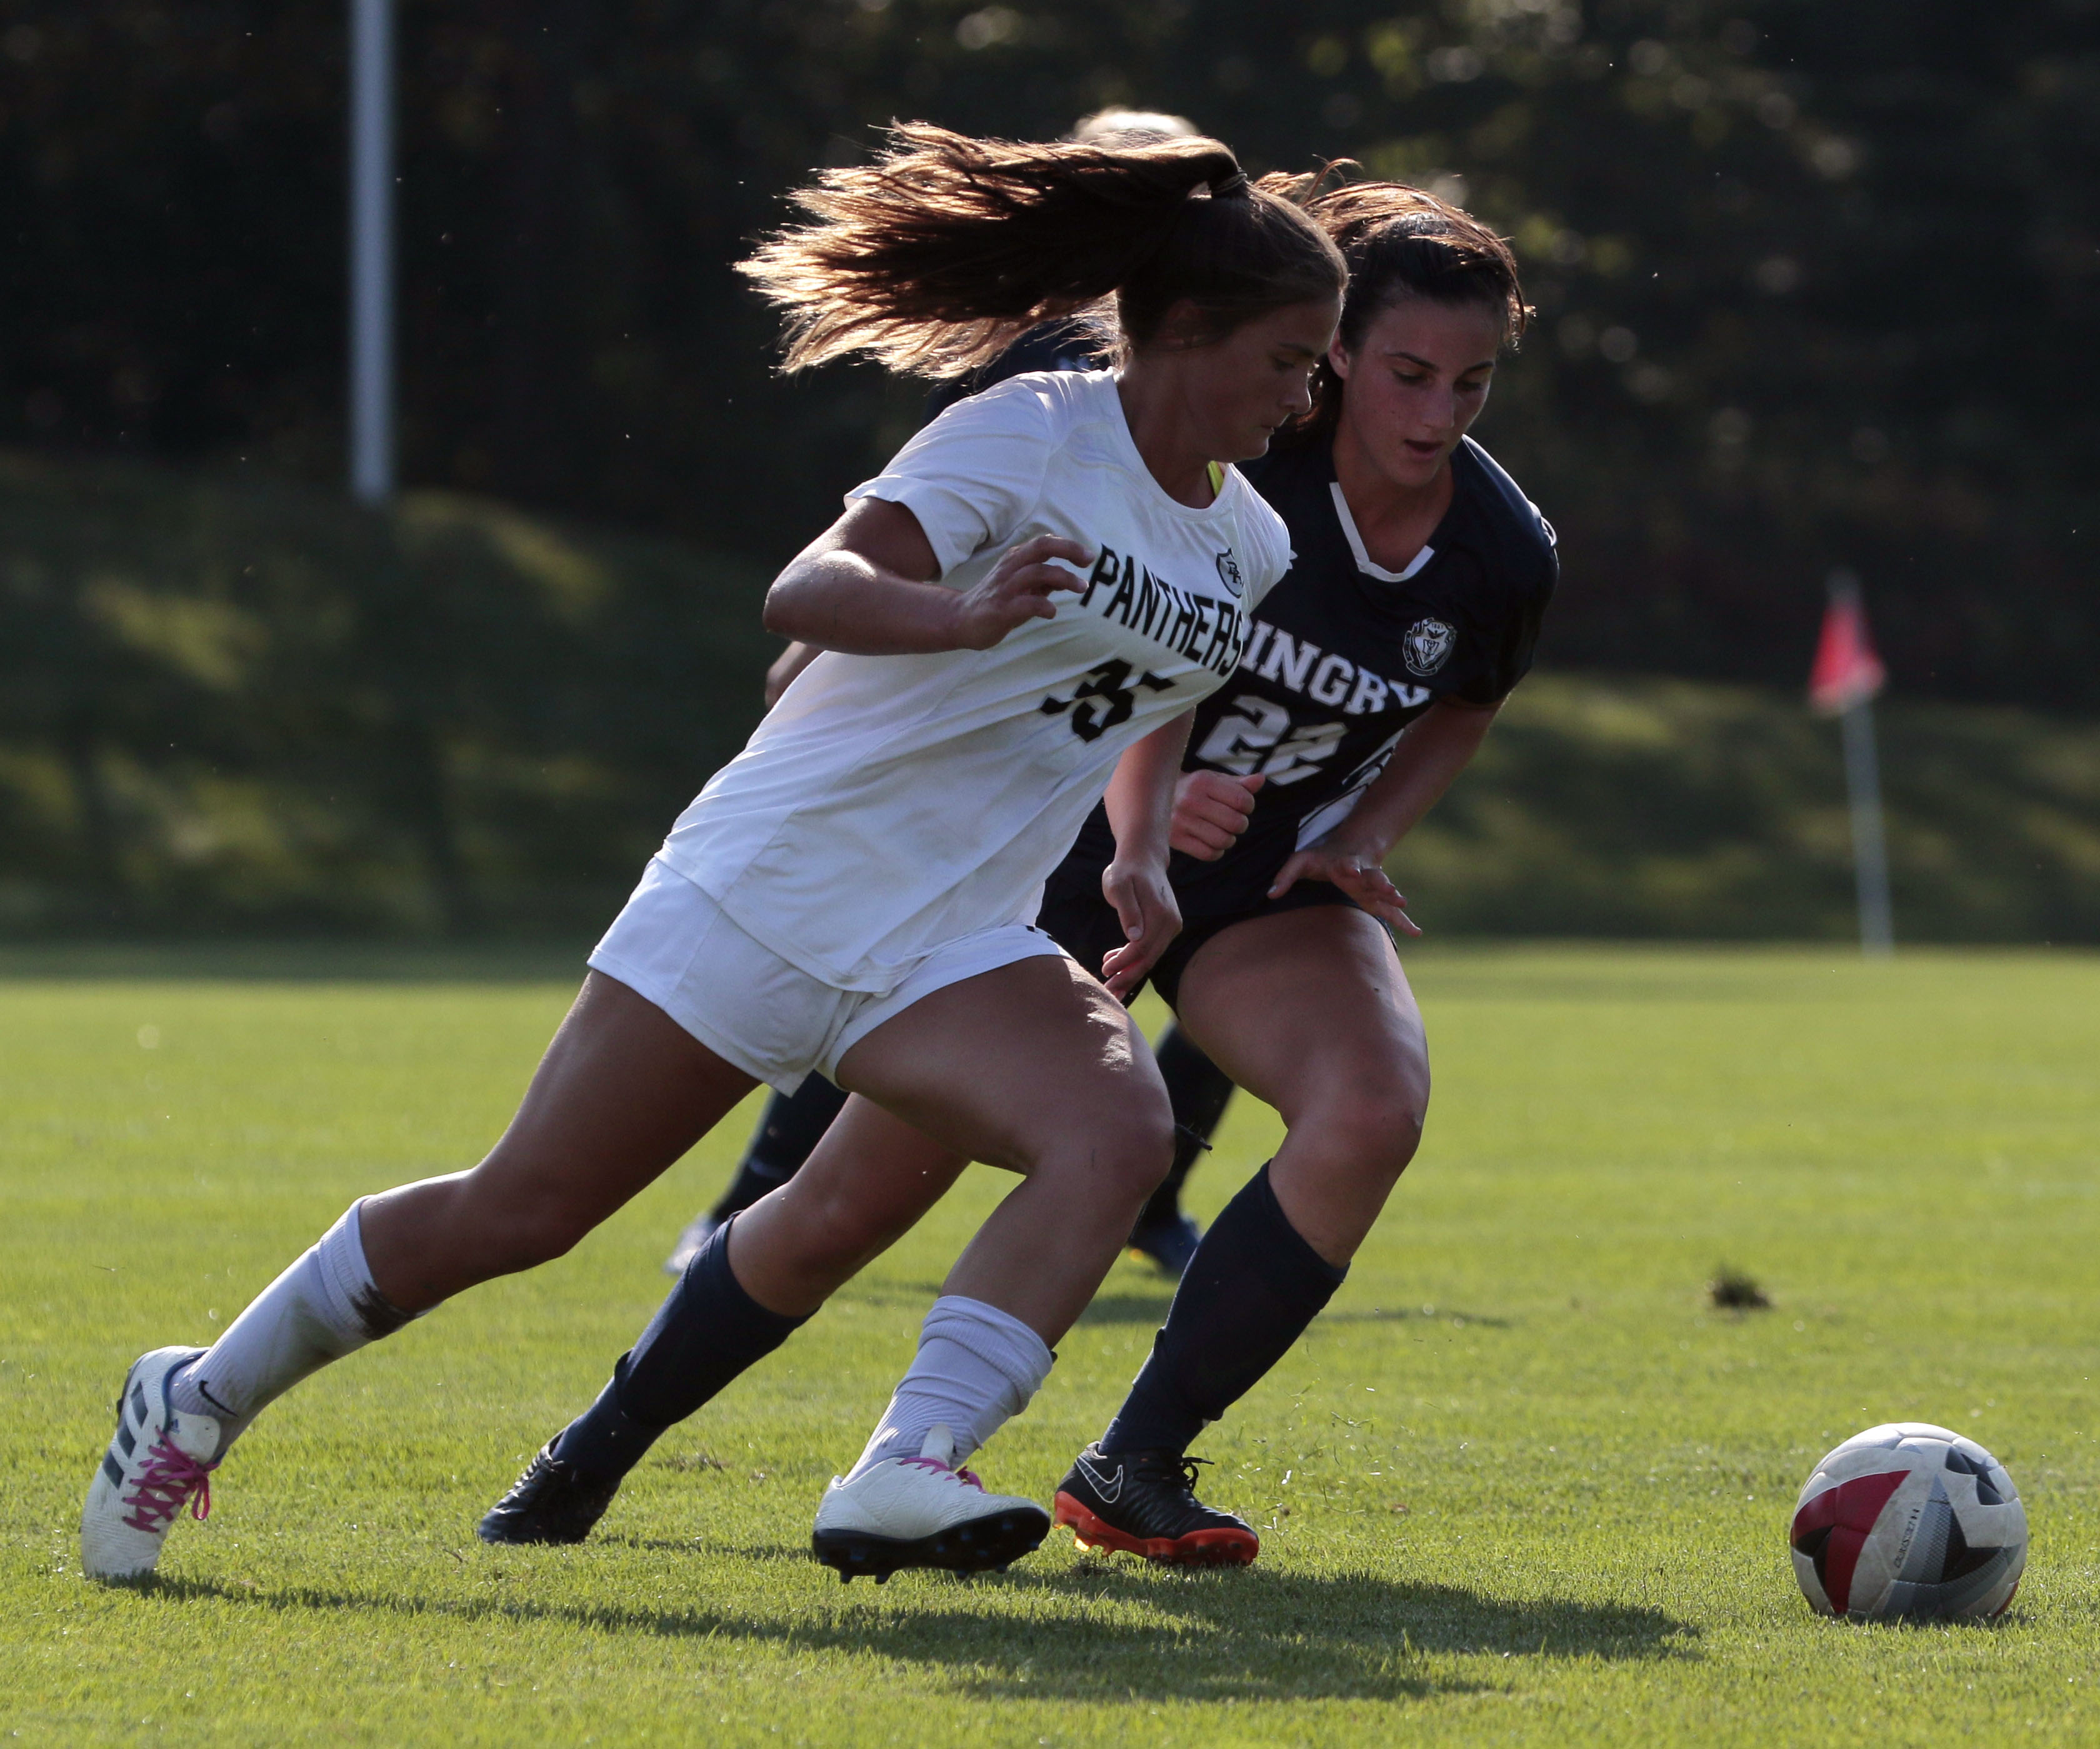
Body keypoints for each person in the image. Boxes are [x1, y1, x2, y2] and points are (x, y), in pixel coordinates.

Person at [80, 122, 1344, 1586]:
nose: (1308, 395)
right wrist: (956, 615)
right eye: (1291, 358)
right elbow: (809, 586)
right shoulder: (1036, 430)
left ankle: (908, 1464)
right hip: (779, 880)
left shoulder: (1248, 540)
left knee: (1116, 1128)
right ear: (1187, 332)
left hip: (952, 937)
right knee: (525, 1210)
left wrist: (1138, 853)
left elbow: (1152, 705)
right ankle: (199, 1393)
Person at [482, 182, 1554, 1575]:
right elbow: (1003, 553)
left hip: (1256, 888)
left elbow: (1470, 696)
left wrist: (1364, 834)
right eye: (1406, 372)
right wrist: (1137, 808)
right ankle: (597, 1447)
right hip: (1052, 855)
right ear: (1335, 351)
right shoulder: (1227, 444)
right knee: (852, 1200)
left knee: (1371, 1108)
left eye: (1472, 383)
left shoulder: (1502, 547)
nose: (1436, 413)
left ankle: (1135, 1463)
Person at [665, 104, 1212, 1283]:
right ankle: (752, 1205)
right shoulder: (1047, 380)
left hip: (1047, 744)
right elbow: (913, 542)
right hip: (962, 724)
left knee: (1214, 952)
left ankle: (1146, 1205)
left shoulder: (1217, 423)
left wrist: (1156, 816)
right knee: (850, 971)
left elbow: (1179, 605)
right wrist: (843, 647)